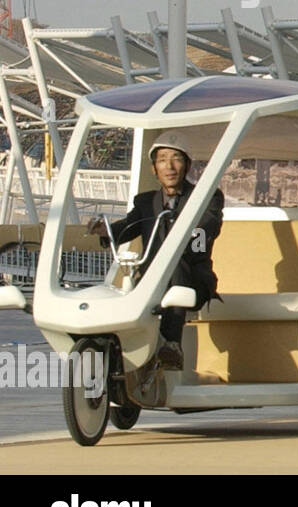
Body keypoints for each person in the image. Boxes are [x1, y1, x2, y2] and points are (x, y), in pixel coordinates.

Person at [89, 131, 224, 370]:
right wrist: (103, 230)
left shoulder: (206, 197)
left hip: (191, 278)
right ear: (154, 169)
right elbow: (127, 229)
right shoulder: (145, 202)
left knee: (175, 262)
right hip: (151, 281)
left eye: (176, 159)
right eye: (162, 160)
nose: (169, 166)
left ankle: (172, 344)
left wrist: (185, 231)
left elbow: (208, 225)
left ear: (187, 165)